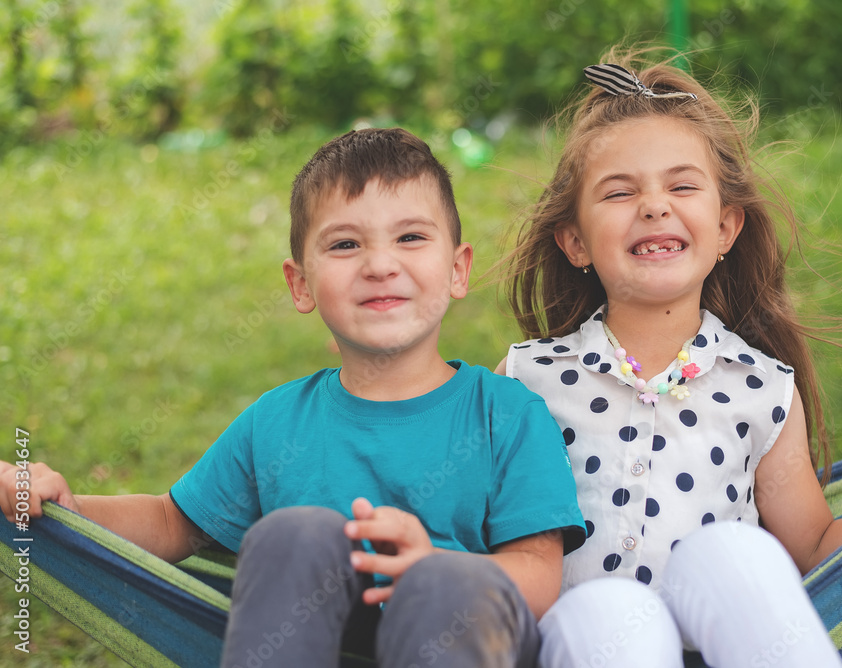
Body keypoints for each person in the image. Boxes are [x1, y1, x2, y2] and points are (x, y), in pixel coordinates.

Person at [0, 127, 586, 668]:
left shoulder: (506, 413)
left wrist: (435, 564)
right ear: (300, 284)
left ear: (458, 270)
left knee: (443, 587)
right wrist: (67, 509)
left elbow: (539, 574)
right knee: (292, 533)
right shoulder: (278, 422)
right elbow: (171, 521)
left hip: (467, 639)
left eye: (410, 237)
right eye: (345, 245)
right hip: (318, 643)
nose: (381, 265)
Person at [496, 54, 842, 667]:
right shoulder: (525, 381)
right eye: (619, 191)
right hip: (579, 641)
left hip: (718, 642)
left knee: (732, 555)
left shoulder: (761, 388)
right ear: (575, 241)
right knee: (613, 611)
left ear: (725, 228)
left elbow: (815, 546)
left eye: (682, 185)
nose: (654, 205)